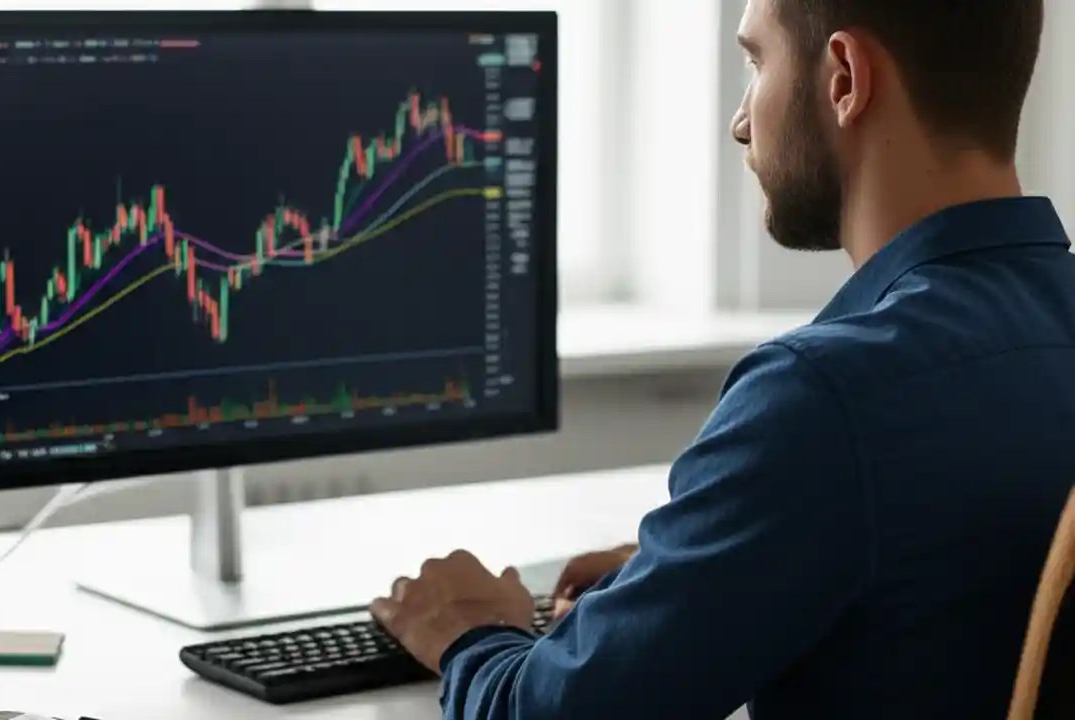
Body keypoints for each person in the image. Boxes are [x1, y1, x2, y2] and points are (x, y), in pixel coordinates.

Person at [369, 0, 1075, 717]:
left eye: (756, 61)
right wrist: (712, 574)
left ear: (844, 80)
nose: (741, 120)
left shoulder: (826, 399)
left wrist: (472, 631)